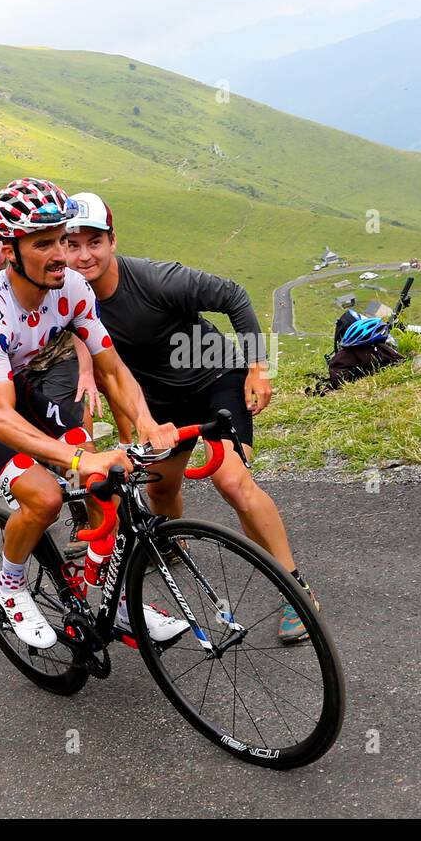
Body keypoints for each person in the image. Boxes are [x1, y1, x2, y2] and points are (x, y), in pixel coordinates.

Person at [0, 177, 181, 650]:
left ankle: (118, 595)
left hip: (13, 381)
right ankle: (11, 584)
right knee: (43, 497)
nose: (63, 253)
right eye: (45, 244)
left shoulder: (72, 287)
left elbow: (114, 370)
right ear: (9, 250)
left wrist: (146, 424)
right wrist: (79, 463)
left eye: (64, 238)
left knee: (106, 479)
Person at [63, 192, 320, 644]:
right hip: (160, 403)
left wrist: (257, 366)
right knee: (160, 488)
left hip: (215, 379)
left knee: (232, 481)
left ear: (112, 240)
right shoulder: (69, 298)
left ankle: (296, 591)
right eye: (72, 244)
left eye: (95, 242)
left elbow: (234, 296)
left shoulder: (157, 279)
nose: (84, 255)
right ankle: (172, 541)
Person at [0, 198, 98, 503]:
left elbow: (78, 315)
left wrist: (86, 370)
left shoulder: (27, 253)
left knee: (69, 435)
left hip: (57, 356)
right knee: (28, 437)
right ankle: (54, 493)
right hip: (15, 367)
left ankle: (82, 502)